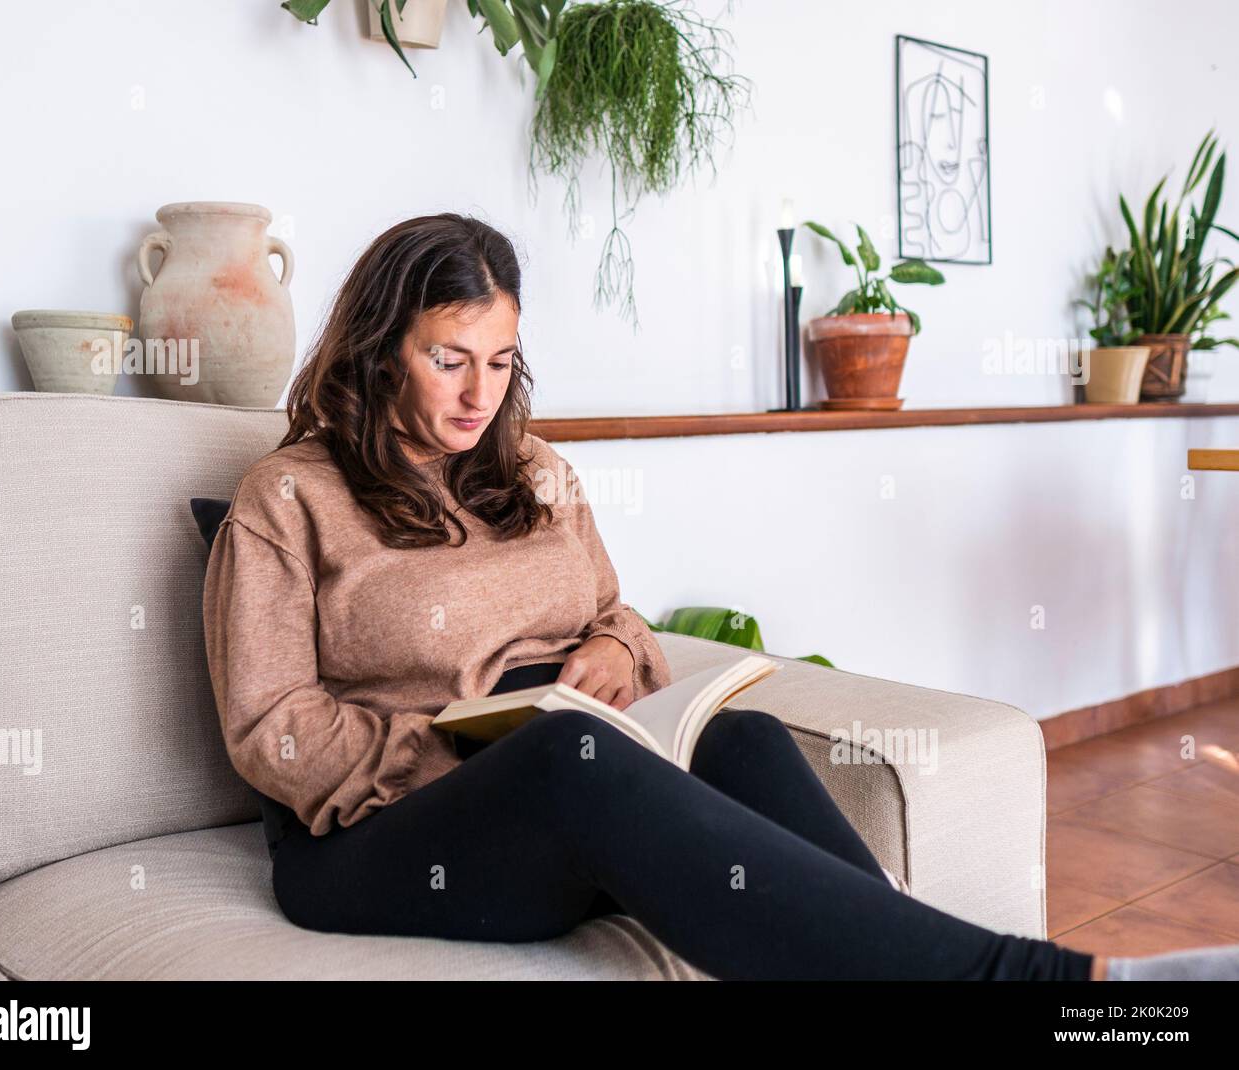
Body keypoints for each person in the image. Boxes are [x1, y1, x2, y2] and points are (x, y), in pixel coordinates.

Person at [201, 212, 1239, 982]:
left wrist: (616, 649)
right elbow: (269, 727)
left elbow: (611, 610)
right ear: (383, 350)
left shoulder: (534, 473)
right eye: (447, 360)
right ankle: (1060, 986)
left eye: (501, 361)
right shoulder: (289, 495)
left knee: (743, 742)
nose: (480, 394)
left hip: (563, 775)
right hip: (382, 837)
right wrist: (460, 751)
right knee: (572, 754)